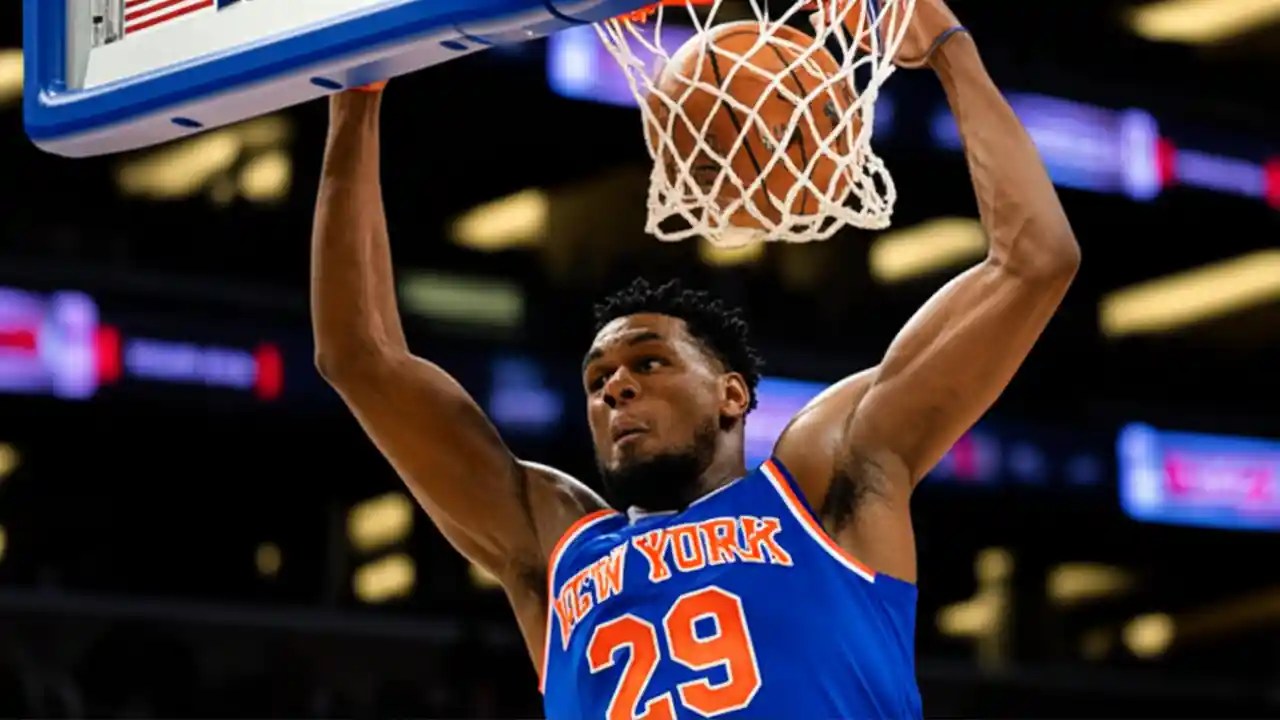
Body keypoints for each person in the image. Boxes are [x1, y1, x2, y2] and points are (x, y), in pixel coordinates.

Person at [310, 1, 1080, 716]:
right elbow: (359, 356)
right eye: (597, 379)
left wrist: (948, 49)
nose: (614, 386)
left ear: (732, 395)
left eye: (648, 363)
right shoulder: (557, 541)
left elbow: (1034, 262)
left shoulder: (823, 482)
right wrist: (357, 92)